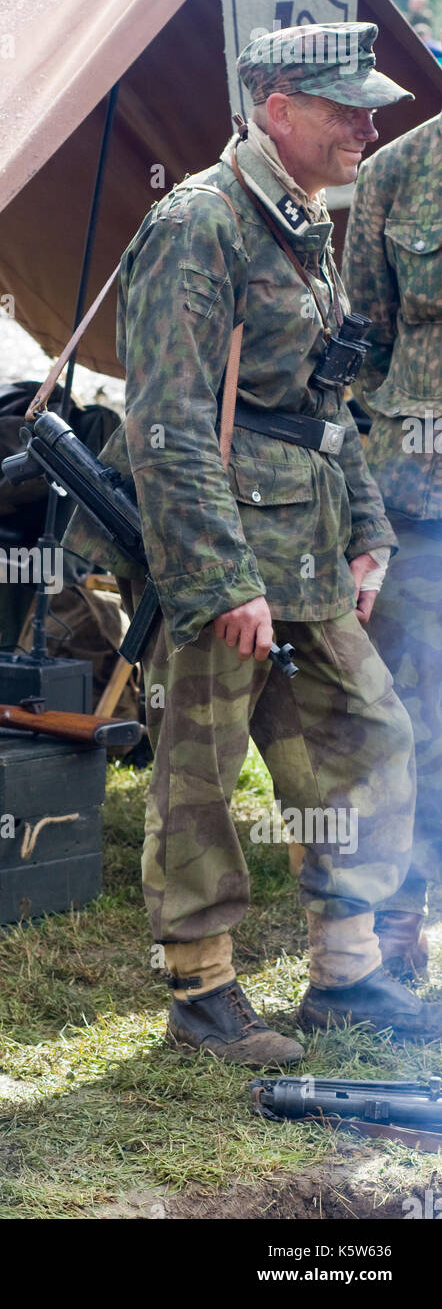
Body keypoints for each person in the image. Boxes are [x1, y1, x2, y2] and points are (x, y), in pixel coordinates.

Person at [64, 23, 442, 1064]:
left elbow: (329, 402)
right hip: (226, 546)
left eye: (368, 108)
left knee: (367, 737)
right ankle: (199, 990)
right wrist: (218, 575)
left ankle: (346, 969)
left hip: (312, 546)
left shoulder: (296, 223)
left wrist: (364, 530)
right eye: (343, 109)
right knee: (198, 766)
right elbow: (168, 421)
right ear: (276, 108)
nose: (368, 125)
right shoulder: (201, 224)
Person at [342, 110, 442, 983]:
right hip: (423, 497)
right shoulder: (397, 173)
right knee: (409, 715)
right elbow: (364, 344)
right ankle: (399, 913)